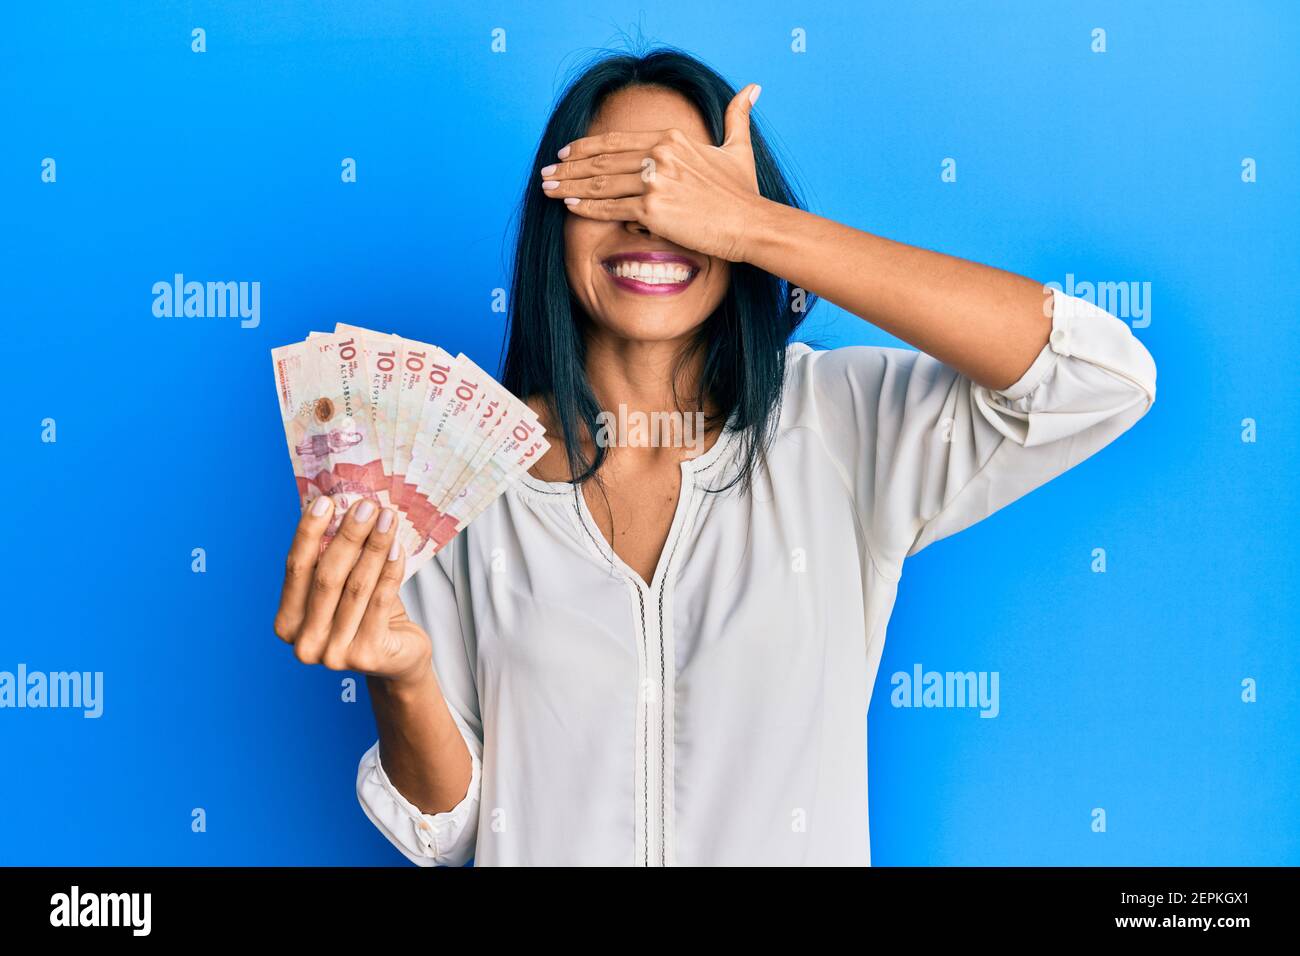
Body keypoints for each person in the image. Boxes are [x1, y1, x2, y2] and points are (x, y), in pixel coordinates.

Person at [273, 49, 1156, 866]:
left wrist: (761, 230)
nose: (650, 220)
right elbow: (451, 830)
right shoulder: (461, 469)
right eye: (611, 184)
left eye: (681, 187)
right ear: (555, 220)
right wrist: (404, 674)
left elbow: (1096, 376)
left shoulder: (842, 425)